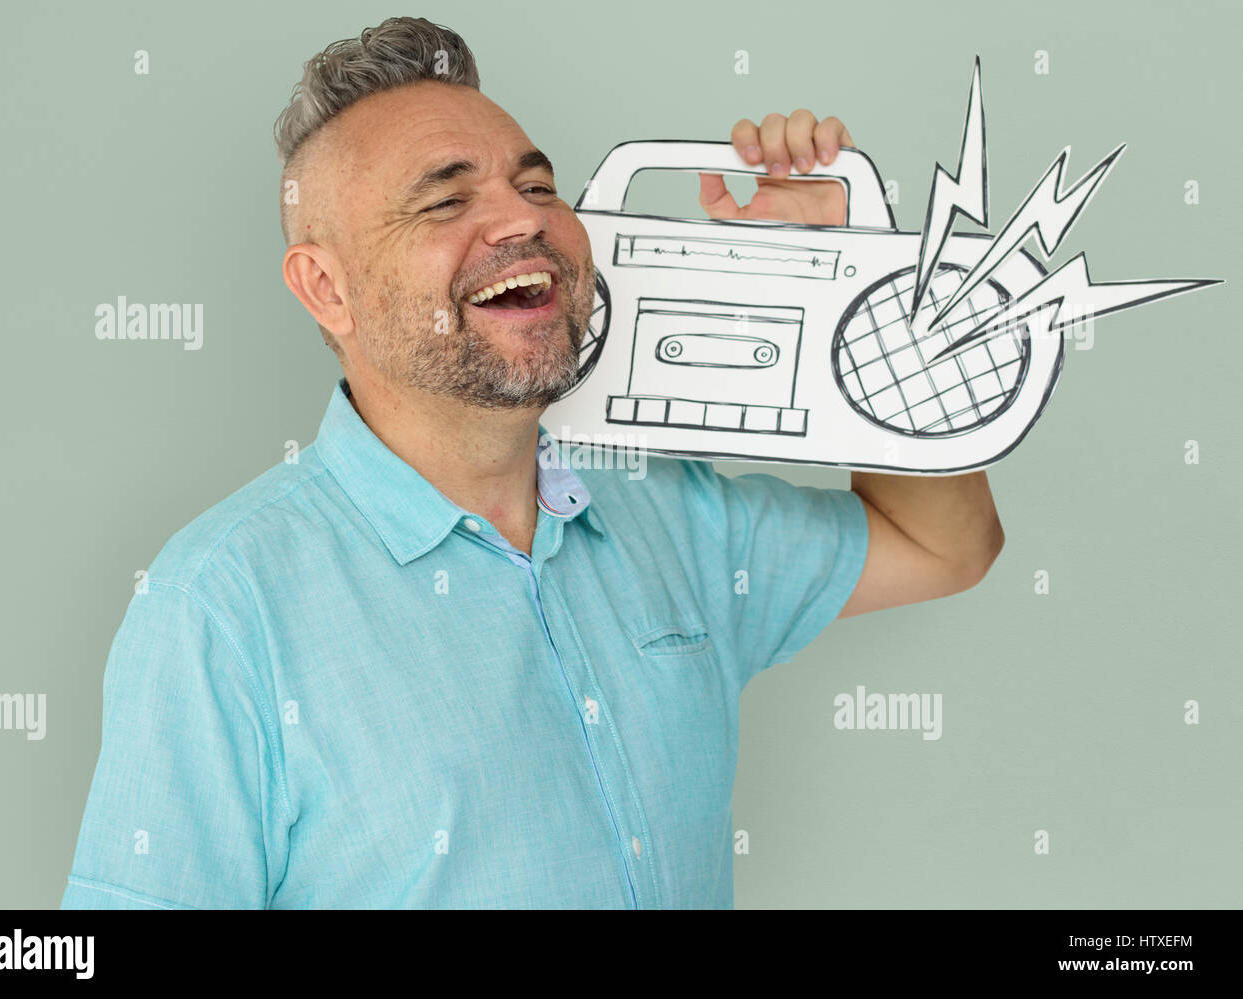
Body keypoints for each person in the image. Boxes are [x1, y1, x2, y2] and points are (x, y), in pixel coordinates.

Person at [61, 17, 1003, 909]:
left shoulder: (670, 513)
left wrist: (866, 280)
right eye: (446, 198)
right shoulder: (219, 607)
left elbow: (943, 545)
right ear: (326, 288)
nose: (524, 220)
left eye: (540, 186)